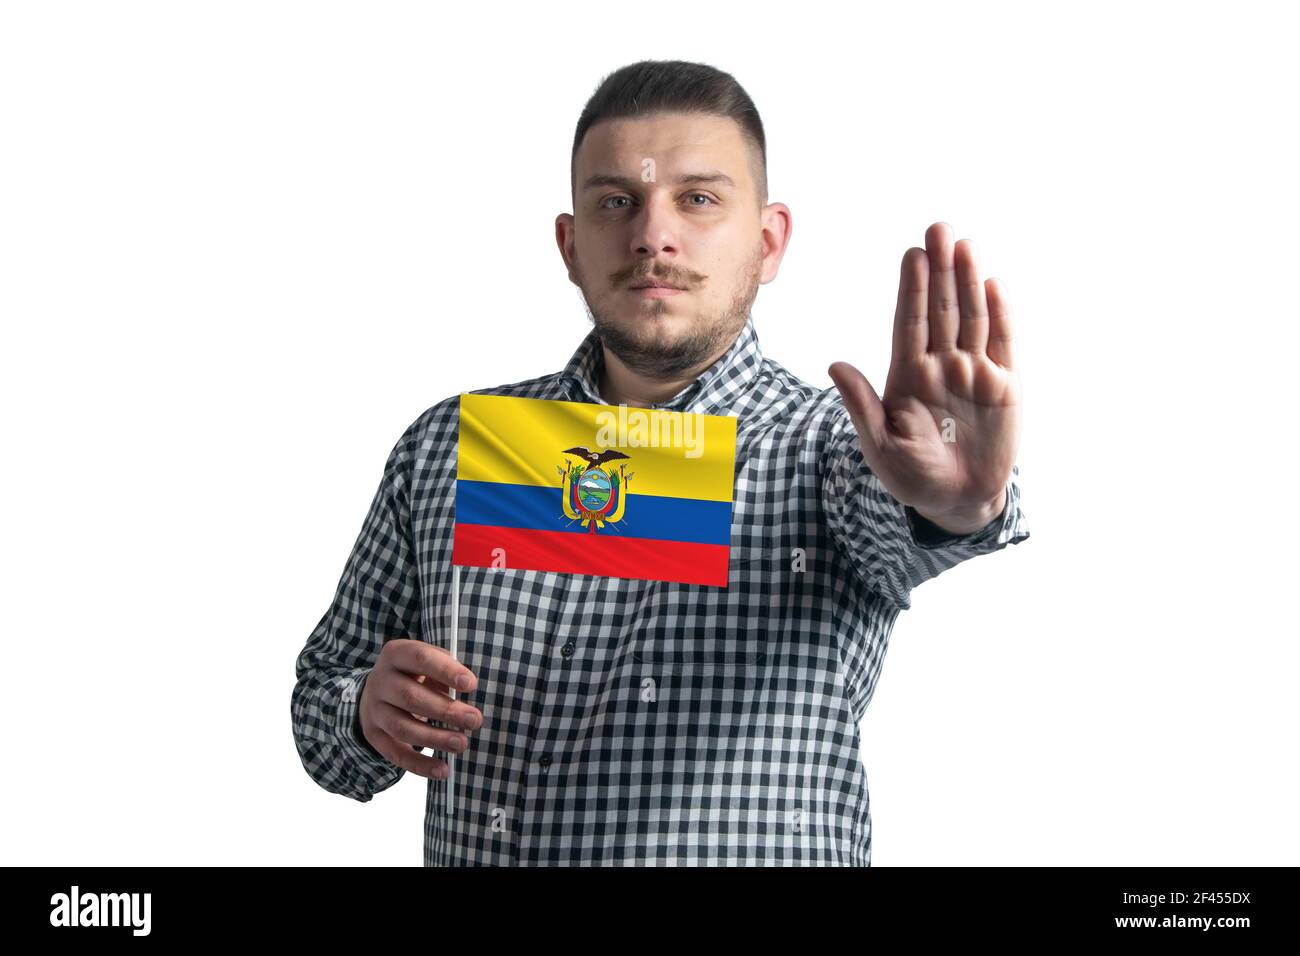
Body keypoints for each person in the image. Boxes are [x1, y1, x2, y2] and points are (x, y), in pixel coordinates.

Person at [291, 59, 1030, 866]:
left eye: (699, 199)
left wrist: (956, 502)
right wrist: (364, 709)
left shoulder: (832, 453)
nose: (653, 235)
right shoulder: (453, 447)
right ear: (570, 244)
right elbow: (322, 714)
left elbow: (908, 526)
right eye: (617, 202)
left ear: (770, 238)